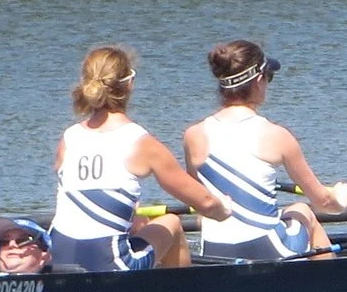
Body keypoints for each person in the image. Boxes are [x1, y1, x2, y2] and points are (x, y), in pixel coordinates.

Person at [48, 46, 229, 271]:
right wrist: (224, 210)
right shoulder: (140, 142)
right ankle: (181, 291)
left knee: (137, 224)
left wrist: (130, 217)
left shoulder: (68, 138)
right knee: (172, 222)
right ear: (129, 83)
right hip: (110, 265)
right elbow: (205, 202)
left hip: (56, 260)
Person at [183, 41, 347, 260]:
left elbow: (197, 200)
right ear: (259, 80)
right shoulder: (277, 135)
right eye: (269, 77)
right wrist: (341, 199)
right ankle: (331, 280)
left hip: (214, 250)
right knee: (302, 210)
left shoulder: (193, 135)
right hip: (267, 249)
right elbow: (324, 202)